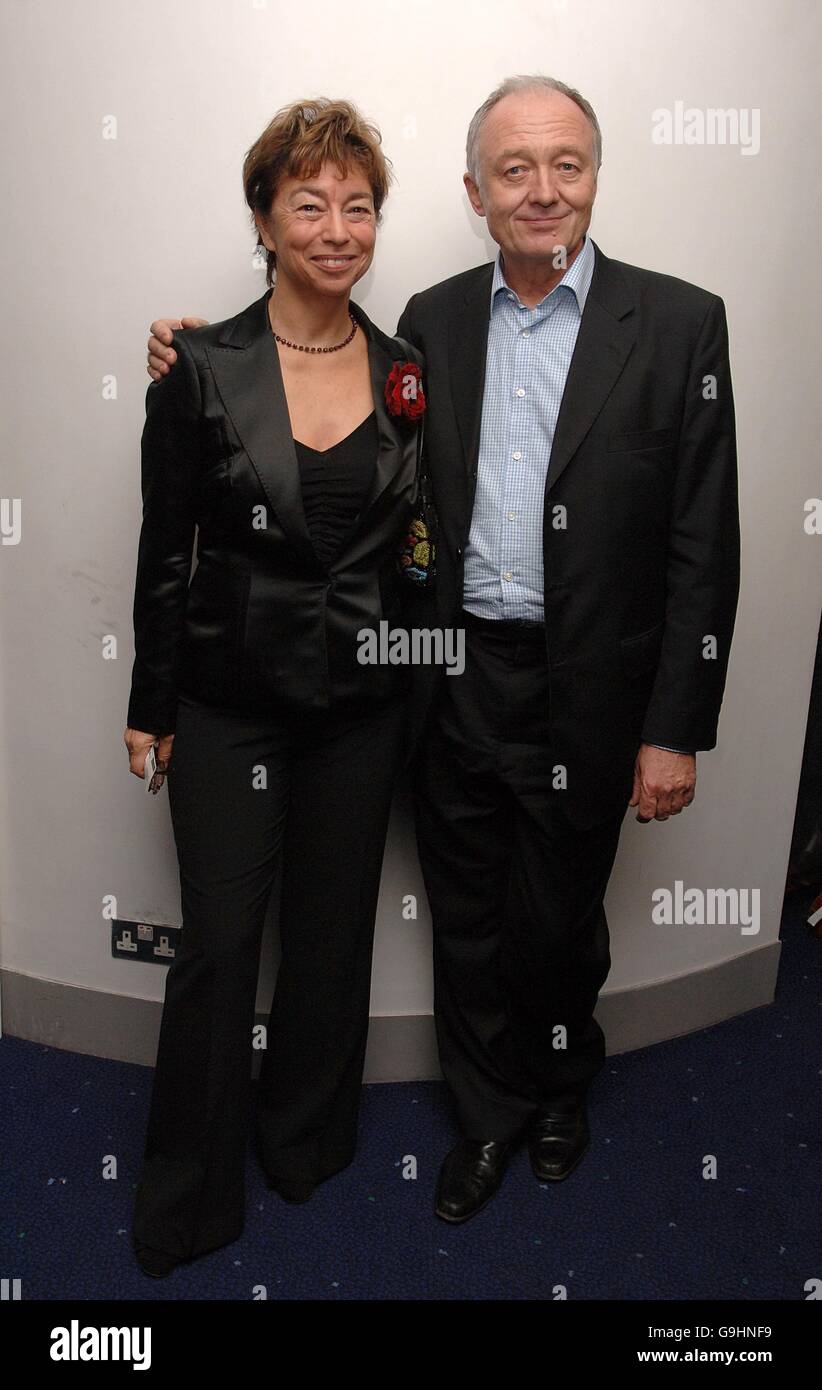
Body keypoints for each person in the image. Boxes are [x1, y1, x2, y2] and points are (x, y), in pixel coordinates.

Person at [146, 74, 740, 1227]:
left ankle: (559, 1088)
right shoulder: (433, 321)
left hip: (591, 686)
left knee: (558, 915)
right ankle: (485, 1115)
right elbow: (343, 455)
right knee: (464, 913)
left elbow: (701, 541)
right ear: (475, 192)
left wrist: (677, 725)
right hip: (447, 673)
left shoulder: (679, 323)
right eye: (513, 169)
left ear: (595, 177)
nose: (542, 189)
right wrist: (190, 352)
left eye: (565, 163)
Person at [123, 97, 425, 1277]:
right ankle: (189, 1190)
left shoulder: (407, 372)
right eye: (310, 203)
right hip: (228, 702)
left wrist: (422, 673)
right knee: (220, 942)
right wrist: (151, 704)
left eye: (358, 204)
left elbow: (420, 549)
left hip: (363, 712)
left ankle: (305, 1142)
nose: (338, 227)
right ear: (264, 218)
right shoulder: (201, 364)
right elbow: (164, 552)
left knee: (334, 933)